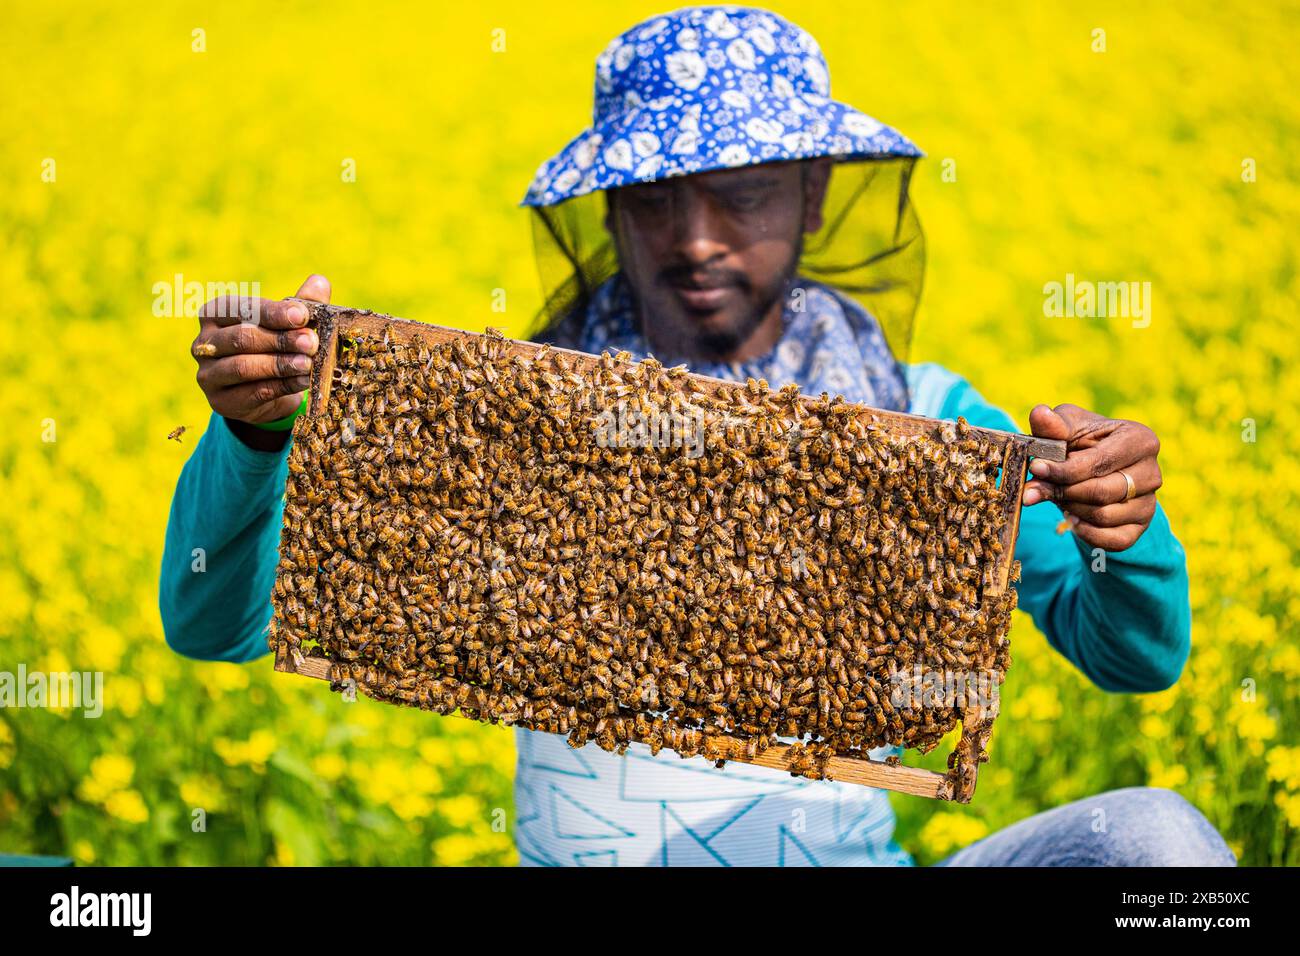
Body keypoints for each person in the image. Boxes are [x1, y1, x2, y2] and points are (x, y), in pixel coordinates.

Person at [161, 5, 1235, 867]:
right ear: (609, 211)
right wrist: (255, 438)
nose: (698, 238)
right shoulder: (517, 420)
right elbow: (216, 626)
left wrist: (1116, 526)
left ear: (814, 193)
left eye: (745, 195)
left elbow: (1133, 657)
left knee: (1151, 838)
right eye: (656, 199)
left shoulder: (929, 419)